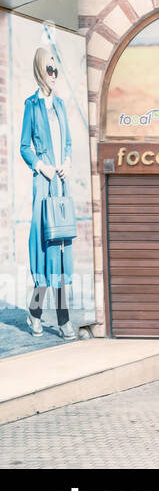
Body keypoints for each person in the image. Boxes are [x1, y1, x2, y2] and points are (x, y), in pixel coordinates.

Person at [20, 47, 75, 338]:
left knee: (62, 250)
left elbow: (67, 143)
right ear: (41, 70)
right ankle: (36, 313)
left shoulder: (62, 105)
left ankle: (64, 318)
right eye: (50, 69)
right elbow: (24, 146)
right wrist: (42, 166)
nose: (55, 75)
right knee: (44, 250)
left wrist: (66, 162)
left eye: (57, 69)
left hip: (61, 184)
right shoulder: (32, 104)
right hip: (44, 184)